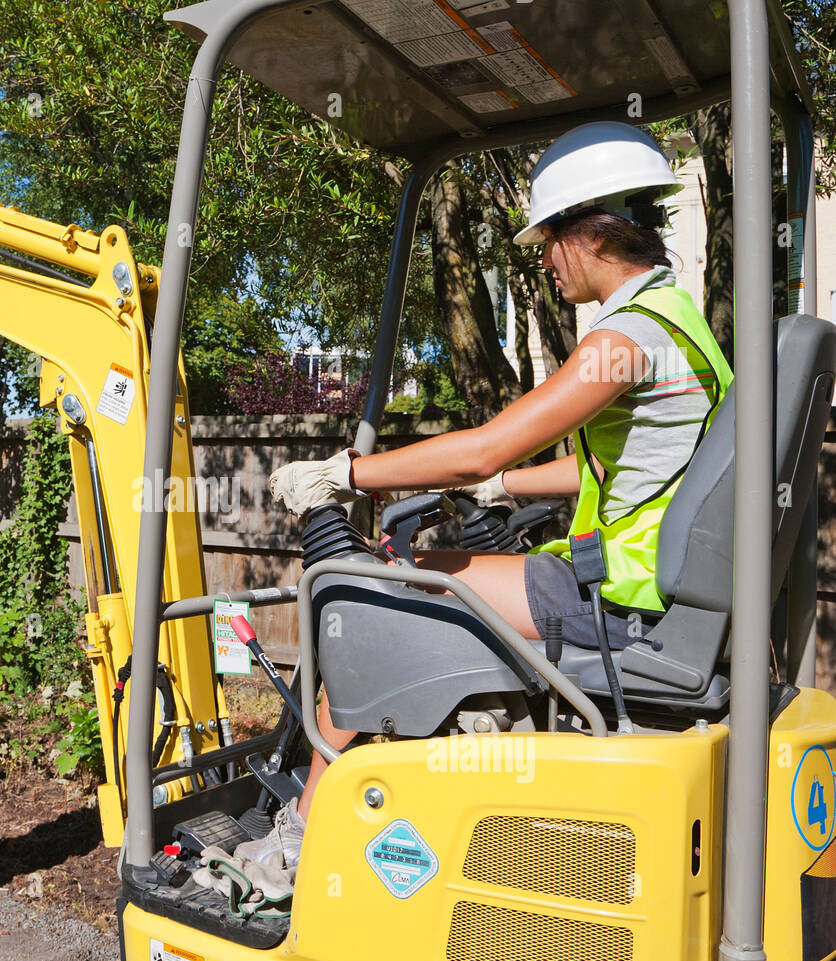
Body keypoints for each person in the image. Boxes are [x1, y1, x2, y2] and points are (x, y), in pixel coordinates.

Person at [237, 121, 734, 873]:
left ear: (589, 232)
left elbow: (483, 443)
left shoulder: (625, 339)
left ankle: (298, 850)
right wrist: (507, 486)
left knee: (358, 607)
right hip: (643, 590)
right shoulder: (683, 326)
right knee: (423, 562)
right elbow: (625, 471)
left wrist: (344, 472)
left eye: (546, 245)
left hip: (614, 598)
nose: (545, 266)